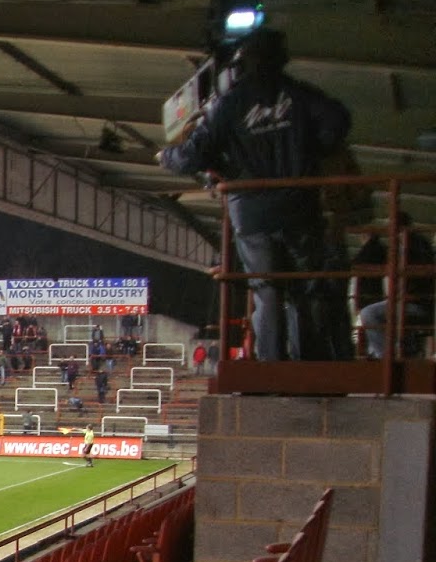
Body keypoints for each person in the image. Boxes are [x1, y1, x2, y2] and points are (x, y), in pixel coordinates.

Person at [158, 28, 352, 361]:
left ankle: (271, 365)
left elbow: (195, 153)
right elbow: (338, 120)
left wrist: (166, 157)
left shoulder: (229, 104)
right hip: (299, 205)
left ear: (242, 63)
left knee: (266, 290)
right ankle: (305, 365)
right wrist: (311, 149)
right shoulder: (300, 95)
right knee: (304, 288)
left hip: (252, 212)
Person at [354, 214, 434, 358]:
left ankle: (383, 355)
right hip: (418, 303)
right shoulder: (417, 245)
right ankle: (390, 351)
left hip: (416, 303)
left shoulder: (411, 248)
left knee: (368, 313)